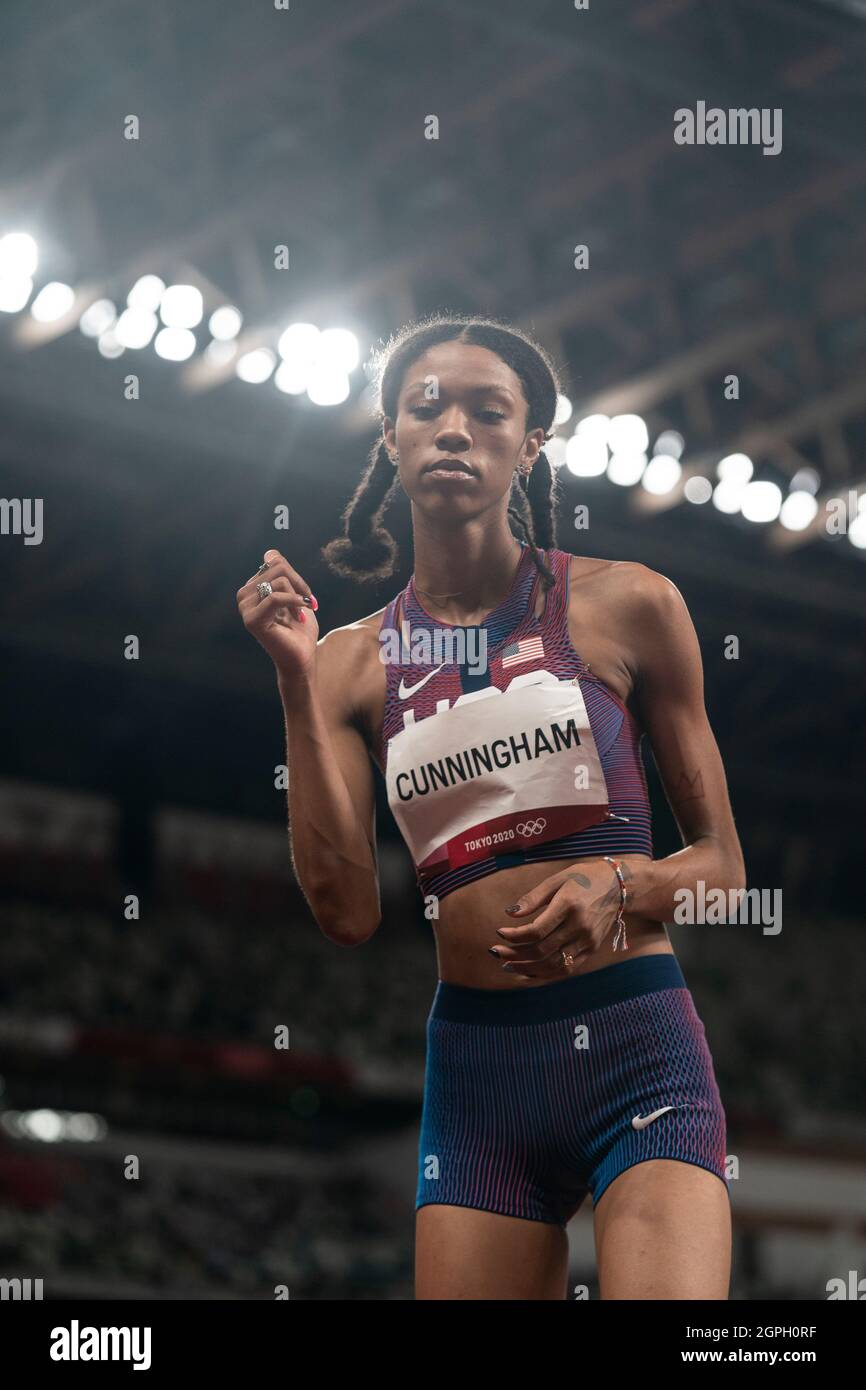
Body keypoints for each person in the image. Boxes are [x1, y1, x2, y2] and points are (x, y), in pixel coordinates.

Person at [236, 314, 746, 1301]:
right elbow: (346, 914)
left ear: (531, 443)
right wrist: (294, 683)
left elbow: (722, 871)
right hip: (477, 1077)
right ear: (390, 438)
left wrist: (619, 882)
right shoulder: (347, 662)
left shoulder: (625, 605)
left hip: (635, 1051)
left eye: (486, 410)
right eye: (424, 407)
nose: (452, 428)